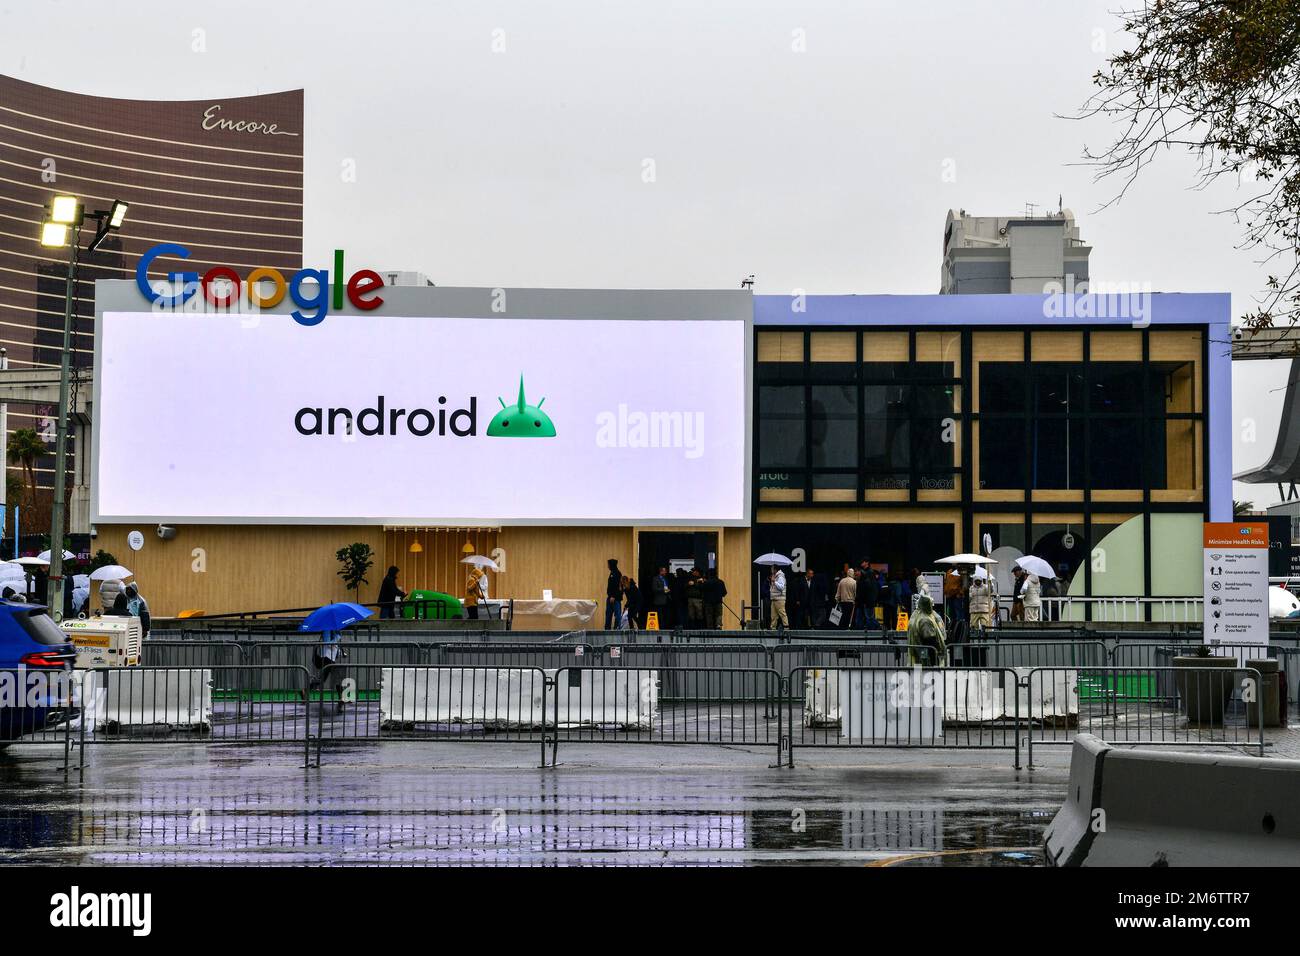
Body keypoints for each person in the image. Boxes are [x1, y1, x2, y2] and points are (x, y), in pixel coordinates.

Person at [907, 593, 948, 666]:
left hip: (917, 656)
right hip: (925, 659)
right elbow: (930, 641)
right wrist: (935, 659)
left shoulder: (915, 614)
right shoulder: (925, 620)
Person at [604, 559, 623, 630]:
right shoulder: (612, 573)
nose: (608, 566)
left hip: (615, 598)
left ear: (612, 565)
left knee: (617, 615)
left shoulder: (617, 573)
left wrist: (613, 596)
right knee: (608, 615)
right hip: (610, 597)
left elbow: (618, 587)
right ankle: (607, 629)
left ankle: (617, 629)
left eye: (608, 564)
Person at [769, 565, 788, 629]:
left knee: (782, 614)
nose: (771, 570)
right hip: (774, 599)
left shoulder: (780, 576)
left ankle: (786, 628)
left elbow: (781, 587)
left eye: (772, 569)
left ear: (775, 569)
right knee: (773, 616)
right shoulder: (774, 576)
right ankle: (773, 628)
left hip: (779, 599)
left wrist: (774, 581)